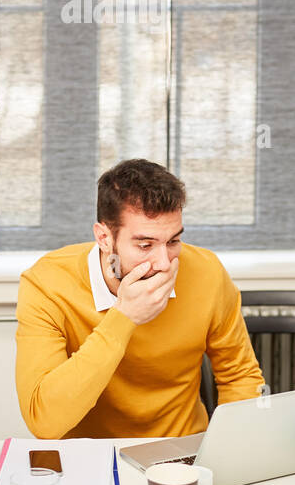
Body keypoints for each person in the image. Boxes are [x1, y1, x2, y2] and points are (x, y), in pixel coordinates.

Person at [15, 158, 265, 439]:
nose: (163, 262)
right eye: (145, 245)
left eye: (173, 242)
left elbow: (239, 377)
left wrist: (228, 451)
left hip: (181, 454)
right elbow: (44, 422)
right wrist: (123, 318)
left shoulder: (208, 273)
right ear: (104, 238)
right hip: (88, 459)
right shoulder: (47, 284)